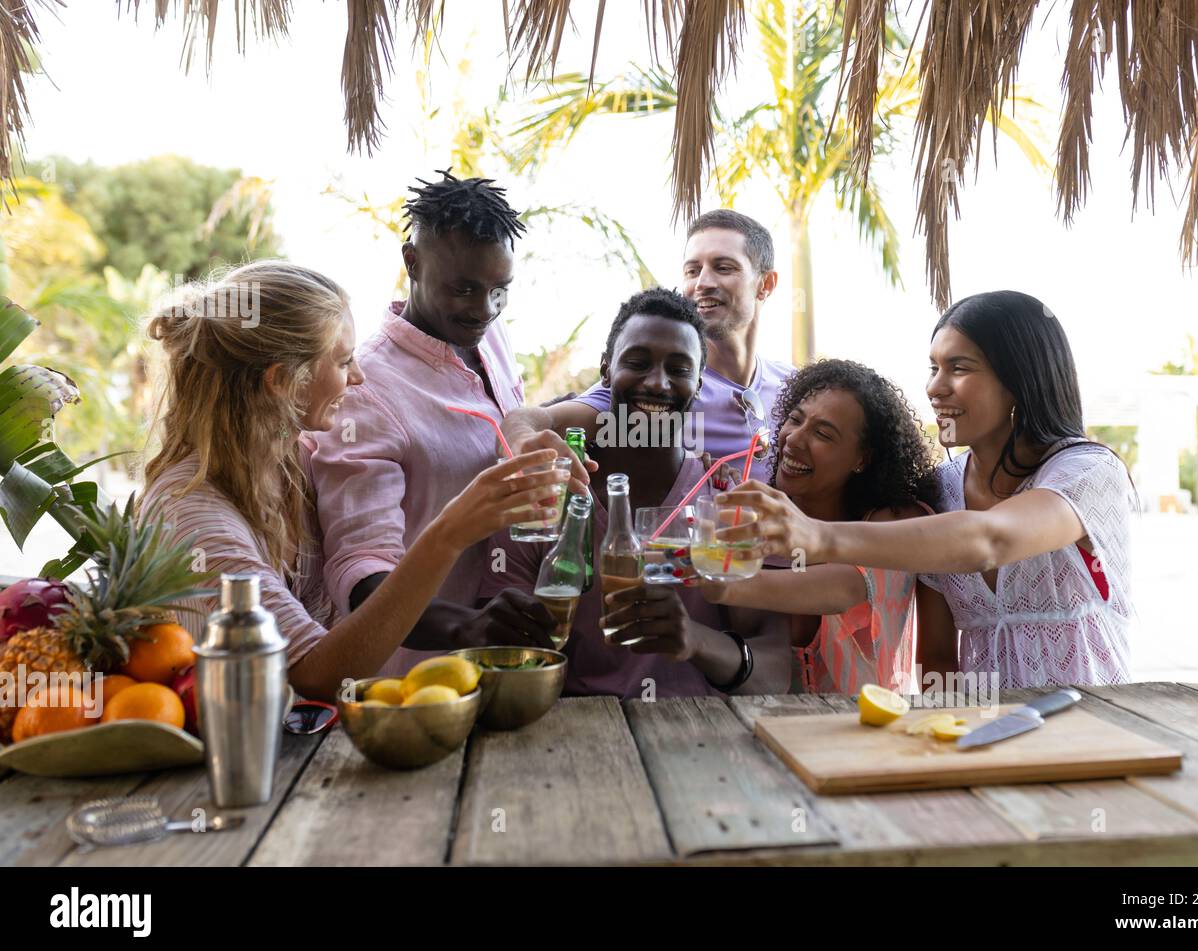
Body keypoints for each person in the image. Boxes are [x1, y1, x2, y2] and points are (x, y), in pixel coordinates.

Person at [141, 260, 567, 701]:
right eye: (344, 362)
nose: (359, 377)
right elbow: (316, 672)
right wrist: (449, 533)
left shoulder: (285, 463)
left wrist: (526, 425)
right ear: (283, 380)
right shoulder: (193, 516)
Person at [717, 291, 1137, 688]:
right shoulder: (940, 490)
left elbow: (991, 540)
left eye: (959, 368)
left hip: (1092, 723)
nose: (935, 387)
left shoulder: (1086, 471)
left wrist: (818, 537)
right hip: (987, 737)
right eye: (934, 368)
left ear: (1019, 380)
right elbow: (936, 655)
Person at [309, 170, 568, 673]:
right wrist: (466, 626)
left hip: (504, 663)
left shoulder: (491, 341)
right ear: (411, 261)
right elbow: (359, 576)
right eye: (464, 289)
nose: (484, 309)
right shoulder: (367, 391)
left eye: (500, 289)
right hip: (417, 683)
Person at [480, 288, 789, 698]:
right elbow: (500, 652)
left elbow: (776, 671)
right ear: (606, 371)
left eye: (678, 369)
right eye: (638, 362)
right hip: (573, 739)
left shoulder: (726, 501)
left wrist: (695, 641)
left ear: (699, 383)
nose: (657, 383)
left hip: (705, 741)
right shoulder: (547, 497)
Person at [698, 360, 941, 694]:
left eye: (823, 434)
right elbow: (745, 626)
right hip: (766, 734)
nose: (794, 439)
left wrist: (709, 572)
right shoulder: (768, 522)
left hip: (870, 732)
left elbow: (845, 589)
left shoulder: (901, 519)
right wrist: (720, 516)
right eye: (795, 420)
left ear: (862, 459)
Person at [501, 209, 796, 461]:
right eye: (692, 271)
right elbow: (537, 420)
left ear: (766, 284)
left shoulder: (792, 388)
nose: (703, 282)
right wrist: (522, 442)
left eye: (723, 267)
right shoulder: (663, 387)